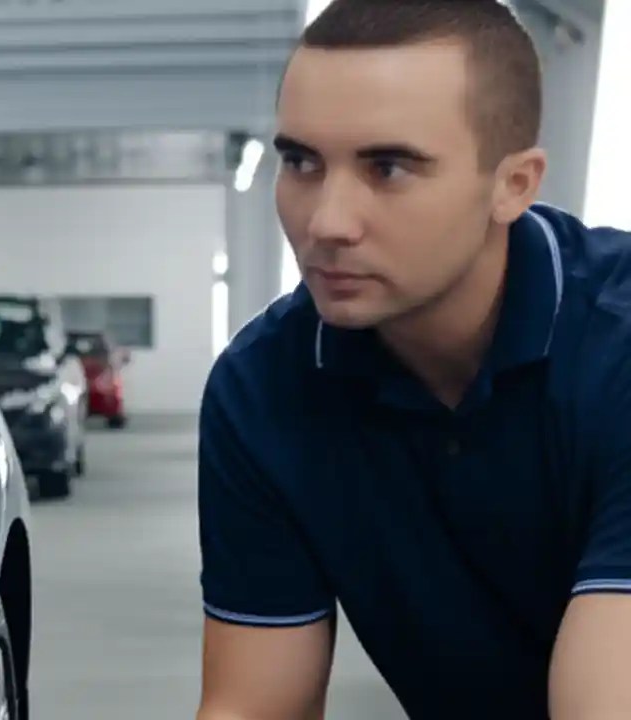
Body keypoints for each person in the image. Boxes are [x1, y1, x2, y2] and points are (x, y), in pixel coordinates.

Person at [196, 1, 631, 718]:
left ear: (514, 184)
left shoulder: (613, 349)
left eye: (389, 167)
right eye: (302, 162)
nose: (327, 222)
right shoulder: (264, 387)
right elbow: (253, 705)